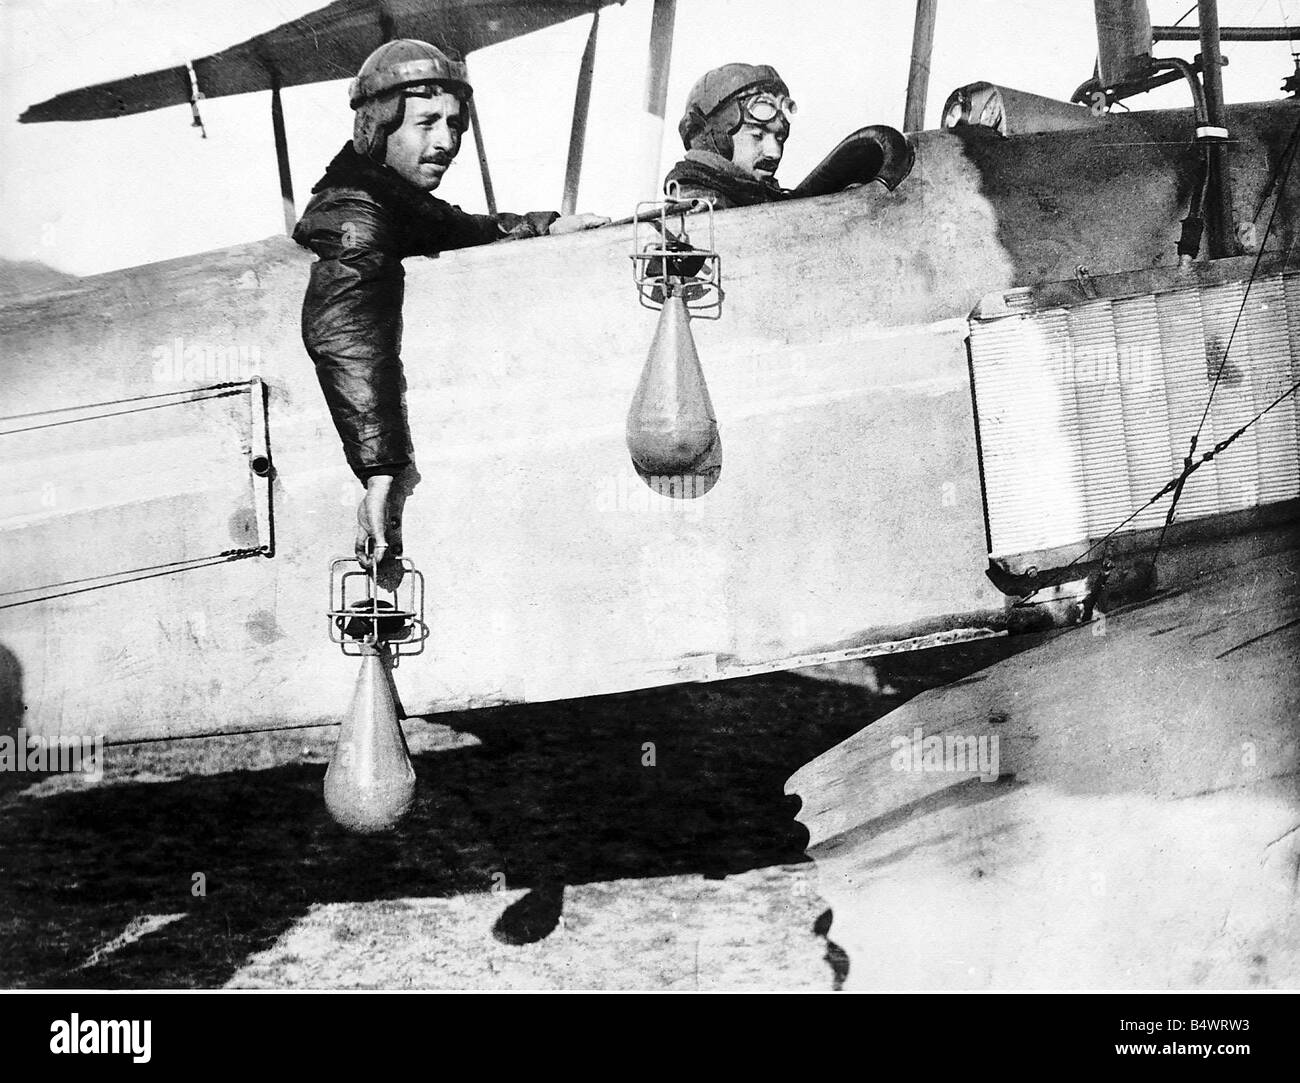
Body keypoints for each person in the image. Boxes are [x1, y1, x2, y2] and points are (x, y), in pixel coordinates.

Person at [293, 39, 606, 573]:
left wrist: (545, 225)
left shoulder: (395, 202)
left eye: (455, 124)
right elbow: (348, 333)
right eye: (426, 123)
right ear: (378, 127)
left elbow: (465, 229)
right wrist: (379, 473)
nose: (447, 141)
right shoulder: (356, 214)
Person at [663, 63, 797, 209]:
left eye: (780, 138)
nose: (775, 153)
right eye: (758, 136)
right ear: (718, 140)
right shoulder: (703, 209)